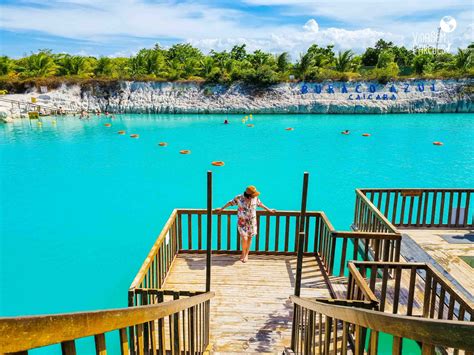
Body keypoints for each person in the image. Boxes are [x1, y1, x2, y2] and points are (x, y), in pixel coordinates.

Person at [215, 186, 275, 263]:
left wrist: (269, 210)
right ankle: (243, 253)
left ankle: (246, 254)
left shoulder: (255, 198)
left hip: (252, 221)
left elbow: (260, 204)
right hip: (242, 222)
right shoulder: (239, 198)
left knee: (249, 238)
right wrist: (221, 208)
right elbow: (230, 203)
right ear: (248, 195)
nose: (254, 195)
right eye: (253, 194)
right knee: (244, 238)